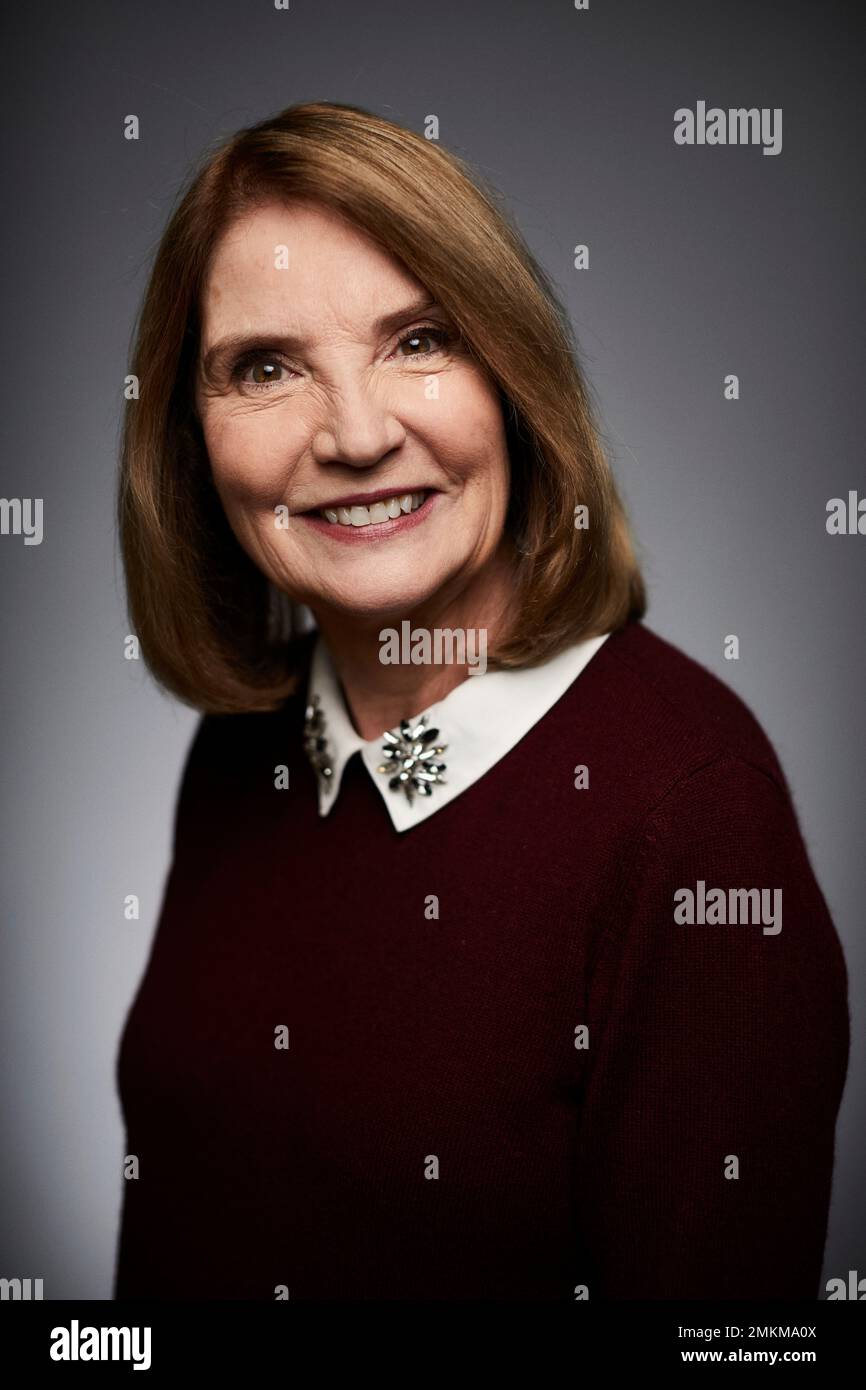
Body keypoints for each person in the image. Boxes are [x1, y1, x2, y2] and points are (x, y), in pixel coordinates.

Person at [113, 100, 849, 1300]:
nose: (354, 434)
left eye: (419, 340)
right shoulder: (240, 755)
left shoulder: (690, 814)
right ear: (189, 438)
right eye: (263, 366)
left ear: (512, 373)